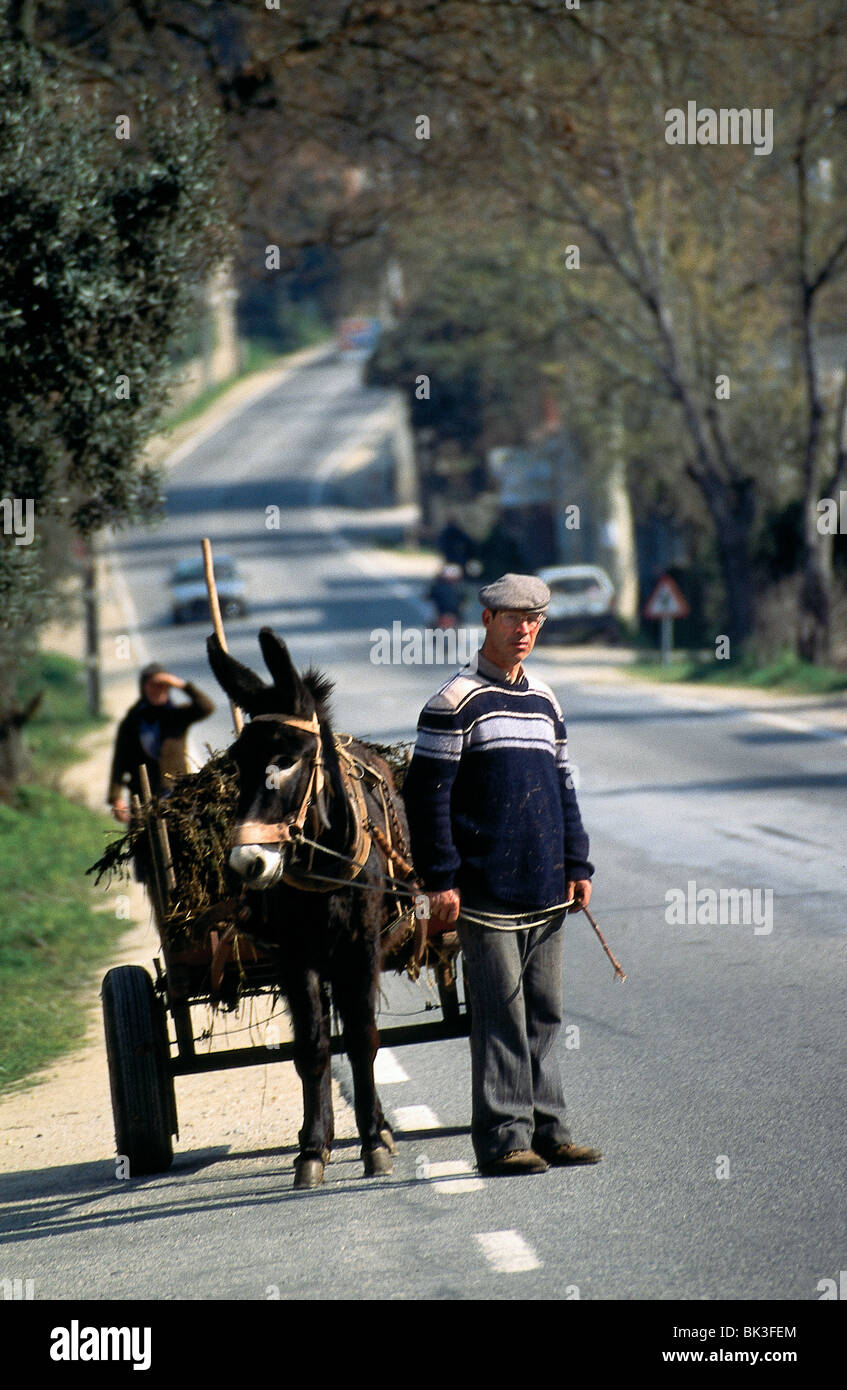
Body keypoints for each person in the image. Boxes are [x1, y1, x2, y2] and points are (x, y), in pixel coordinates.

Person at [403, 573, 602, 1176]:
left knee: (543, 1014)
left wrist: (577, 863)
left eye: (534, 620)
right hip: (483, 896)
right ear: (485, 620)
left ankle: (551, 1131)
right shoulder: (452, 703)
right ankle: (501, 1140)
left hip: (545, 890)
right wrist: (440, 882)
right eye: (513, 618)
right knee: (501, 1017)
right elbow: (427, 800)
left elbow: (563, 787)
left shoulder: (545, 700)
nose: (524, 630)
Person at [108, 664, 215, 822]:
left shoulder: (176, 715)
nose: (159, 690)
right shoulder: (132, 721)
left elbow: (206, 707)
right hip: (143, 795)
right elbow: (119, 762)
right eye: (153, 685)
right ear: (144, 688)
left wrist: (180, 684)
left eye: (164, 686)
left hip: (177, 792)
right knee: (144, 842)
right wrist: (115, 798)